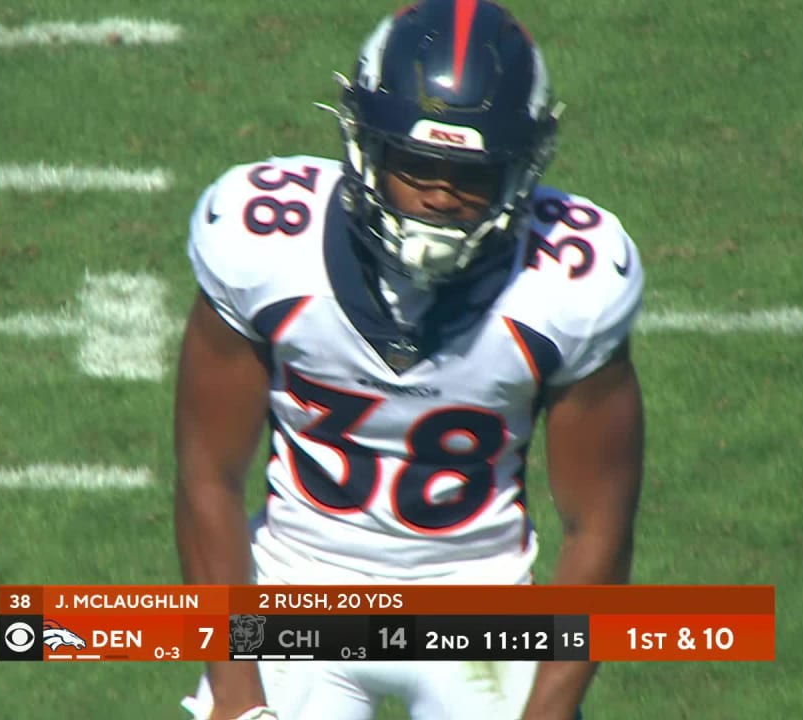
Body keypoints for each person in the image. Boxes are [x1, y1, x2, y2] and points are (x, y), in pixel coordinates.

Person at [173, 1, 645, 718]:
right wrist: (239, 697)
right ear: (366, 147)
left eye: (470, 174)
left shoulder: (569, 288)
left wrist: (547, 711)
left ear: (521, 172)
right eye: (417, 164)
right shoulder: (262, 246)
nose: (439, 195)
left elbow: (601, 528)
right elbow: (207, 476)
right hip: (297, 585)